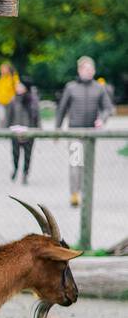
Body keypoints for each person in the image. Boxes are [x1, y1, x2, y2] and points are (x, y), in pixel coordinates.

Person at [55, 56, 115, 206]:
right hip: (75, 133)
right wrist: (57, 130)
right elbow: (61, 109)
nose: (88, 72)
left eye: (90, 69)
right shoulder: (71, 87)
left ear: (94, 71)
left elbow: (108, 108)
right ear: (79, 70)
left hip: (91, 135)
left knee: (87, 165)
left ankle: (85, 193)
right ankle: (74, 194)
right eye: (85, 69)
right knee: (76, 163)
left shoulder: (99, 88)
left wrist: (102, 119)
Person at [6, 77, 41, 184]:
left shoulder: (32, 100)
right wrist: (7, 128)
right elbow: (9, 116)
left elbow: (37, 117)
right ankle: (16, 169)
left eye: (20, 86)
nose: (17, 87)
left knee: (27, 154)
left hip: (28, 131)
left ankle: (25, 173)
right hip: (15, 131)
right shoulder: (13, 99)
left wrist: (38, 128)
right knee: (15, 153)